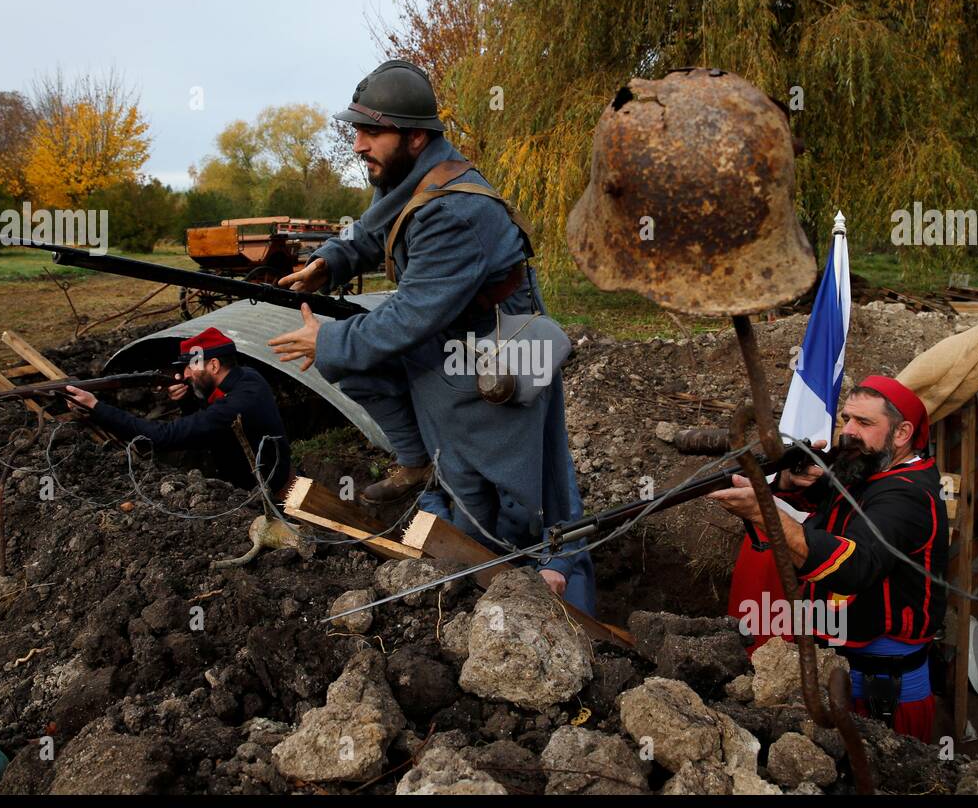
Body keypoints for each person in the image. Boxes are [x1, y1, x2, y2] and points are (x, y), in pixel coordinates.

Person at [267, 59, 596, 615]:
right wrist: (331, 260)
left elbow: (409, 316)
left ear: (415, 136)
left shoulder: (454, 211)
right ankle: (432, 485)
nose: (358, 144)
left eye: (371, 132)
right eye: (357, 130)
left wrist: (329, 341)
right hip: (450, 339)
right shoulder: (409, 176)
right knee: (455, 470)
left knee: (536, 498)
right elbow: (371, 231)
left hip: (500, 349)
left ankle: (572, 607)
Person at [709, 375, 947, 742]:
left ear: (902, 433)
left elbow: (853, 566)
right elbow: (833, 501)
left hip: (881, 690)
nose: (848, 431)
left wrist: (764, 513)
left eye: (863, 422)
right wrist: (787, 481)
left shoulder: (908, 496)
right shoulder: (873, 465)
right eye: (846, 419)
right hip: (837, 664)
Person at [65, 327, 289, 493]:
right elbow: (209, 418)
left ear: (213, 365)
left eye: (191, 366)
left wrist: (96, 407)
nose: (187, 374)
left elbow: (164, 436)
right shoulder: (247, 376)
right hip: (262, 472)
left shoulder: (236, 403)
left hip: (261, 488)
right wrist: (187, 399)